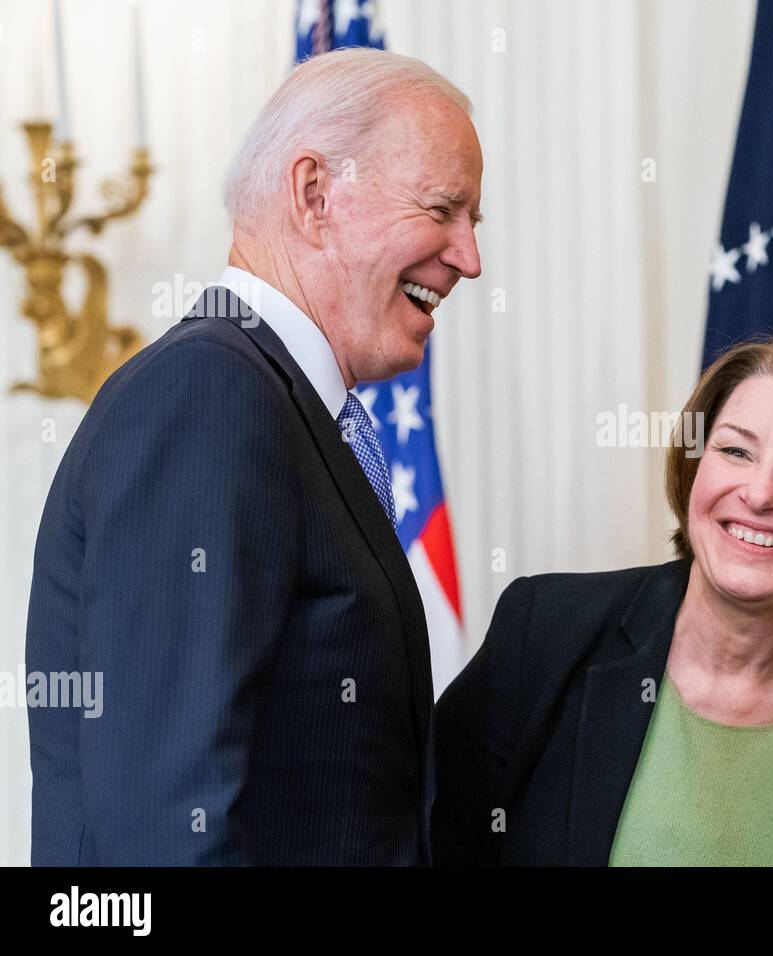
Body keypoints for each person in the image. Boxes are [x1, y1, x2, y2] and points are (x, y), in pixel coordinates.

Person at [26, 48, 482, 865]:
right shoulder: (211, 393)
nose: (469, 258)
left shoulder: (276, 402)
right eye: (443, 208)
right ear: (314, 195)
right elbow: (163, 828)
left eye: (472, 222)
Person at [432, 334, 773, 865]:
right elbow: (426, 840)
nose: (760, 493)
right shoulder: (543, 633)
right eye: (735, 450)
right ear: (693, 468)